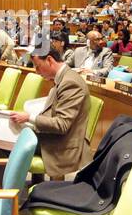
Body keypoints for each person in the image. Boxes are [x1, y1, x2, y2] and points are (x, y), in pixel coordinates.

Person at [8, 38, 90, 180]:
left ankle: (3, 195)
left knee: (1, 141)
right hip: (54, 138)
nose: (36, 70)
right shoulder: (63, 78)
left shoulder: (70, 82)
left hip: (63, 146)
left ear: (50, 60)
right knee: (1, 134)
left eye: (38, 66)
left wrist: (29, 118)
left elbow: (62, 125)